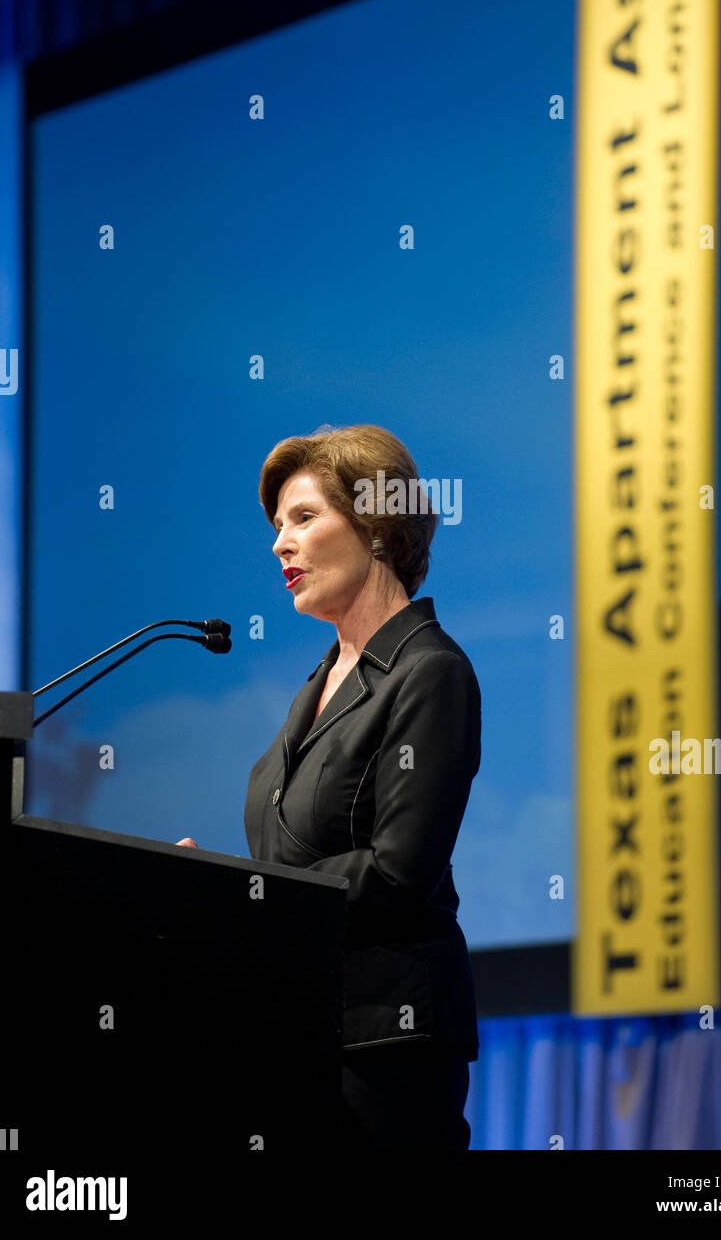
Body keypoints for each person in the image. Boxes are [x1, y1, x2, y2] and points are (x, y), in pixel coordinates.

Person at [241, 423, 481, 1148]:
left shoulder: (428, 672)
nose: (279, 544)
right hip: (298, 1035)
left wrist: (241, 898)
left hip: (385, 1051)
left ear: (376, 526)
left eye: (304, 518)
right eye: (278, 525)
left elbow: (397, 869)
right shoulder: (312, 689)